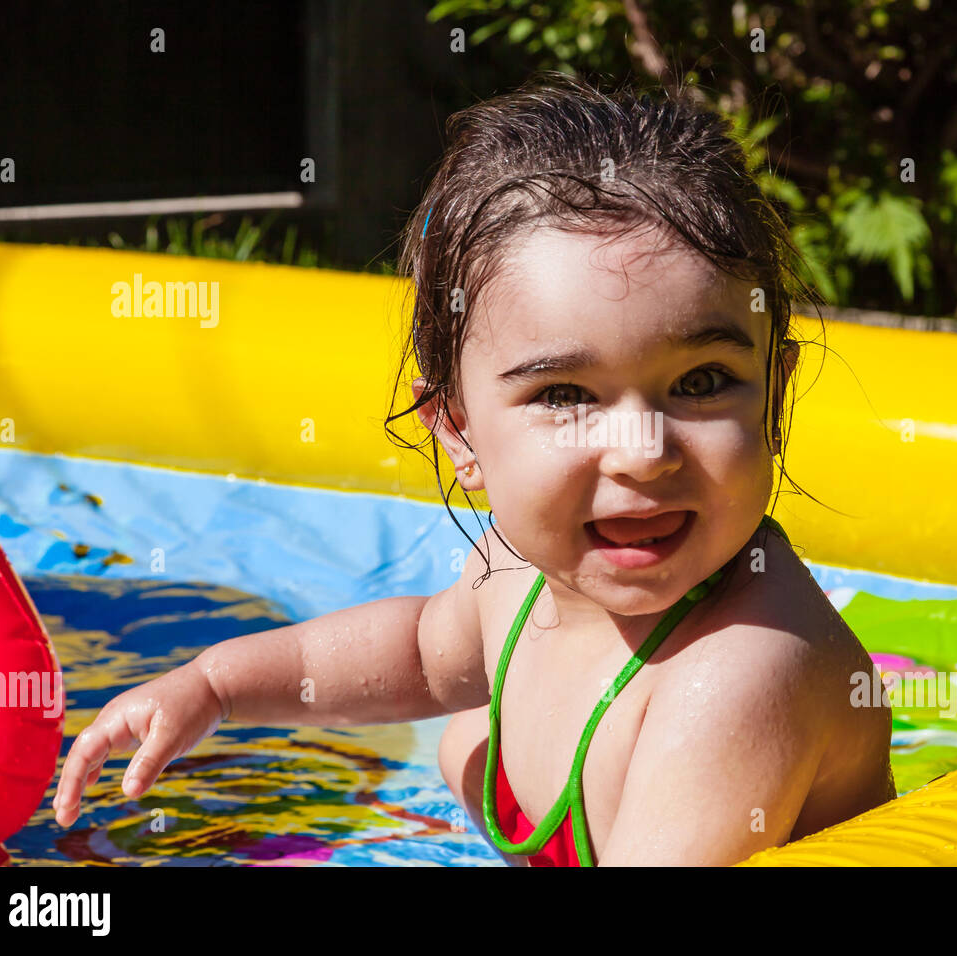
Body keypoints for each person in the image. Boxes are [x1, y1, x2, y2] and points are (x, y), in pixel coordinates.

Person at [53, 72, 895, 866]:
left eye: (702, 383)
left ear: (775, 397)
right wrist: (216, 684)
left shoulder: (741, 676)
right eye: (565, 394)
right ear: (458, 433)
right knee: (466, 730)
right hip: (564, 820)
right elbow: (420, 653)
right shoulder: (514, 564)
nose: (643, 451)